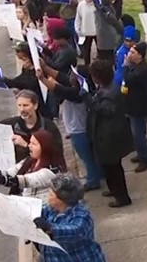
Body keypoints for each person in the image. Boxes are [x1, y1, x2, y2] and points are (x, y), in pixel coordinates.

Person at [39, 63, 101, 191]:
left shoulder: (77, 93)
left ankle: (93, 180)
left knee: (86, 157)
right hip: (80, 128)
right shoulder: (81, 88)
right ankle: (98, 174)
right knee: (90, 155)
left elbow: (58, 89)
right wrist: (45, 67)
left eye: (74, 74)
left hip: (79, 130)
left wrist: (43, 79)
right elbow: (62, 78)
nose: (71, 75)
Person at [86, 59, 133, 207]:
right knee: (109, 167)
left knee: (113, 168)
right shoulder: (106, 88)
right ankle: (114, 190)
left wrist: (89, 100)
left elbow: (107, 110)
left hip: (109, 137)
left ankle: (122, 197)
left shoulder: (111, 93)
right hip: (106, 136)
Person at [0, 89, 63, 166]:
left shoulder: (48, 127)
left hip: (42, 171)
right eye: (19, 105)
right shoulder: (12, 124)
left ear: (35, 105)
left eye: (25, 105)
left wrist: (26, 145)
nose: (22, 109)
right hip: (19, 170)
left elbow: (56, 154)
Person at [121, 42, 147, 173]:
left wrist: (125, 64)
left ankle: (145, 160)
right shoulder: (136, 66)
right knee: (136, 132)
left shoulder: (141, 70)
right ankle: (141, 154)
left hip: (140, 107)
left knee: (138, 134)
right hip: (133, 104)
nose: (129, 54)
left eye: (133, 53)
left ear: (140, 55)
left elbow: (128, 78)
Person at [93, 0, 125, 74]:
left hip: (101, 40)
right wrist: (122, 31)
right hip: (109, 40)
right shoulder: (107, 12)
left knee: (103, 59)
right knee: (110, 60)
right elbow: (115, 23)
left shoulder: (98, 11)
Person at [75, 0, 97, 64]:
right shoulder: (81, 5)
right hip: (86, 32)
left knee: (100, 50)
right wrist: (78, 29)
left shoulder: (96, 4)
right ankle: (87, 67)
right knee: (86, 51)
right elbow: (78, 18)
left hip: (96, 31)